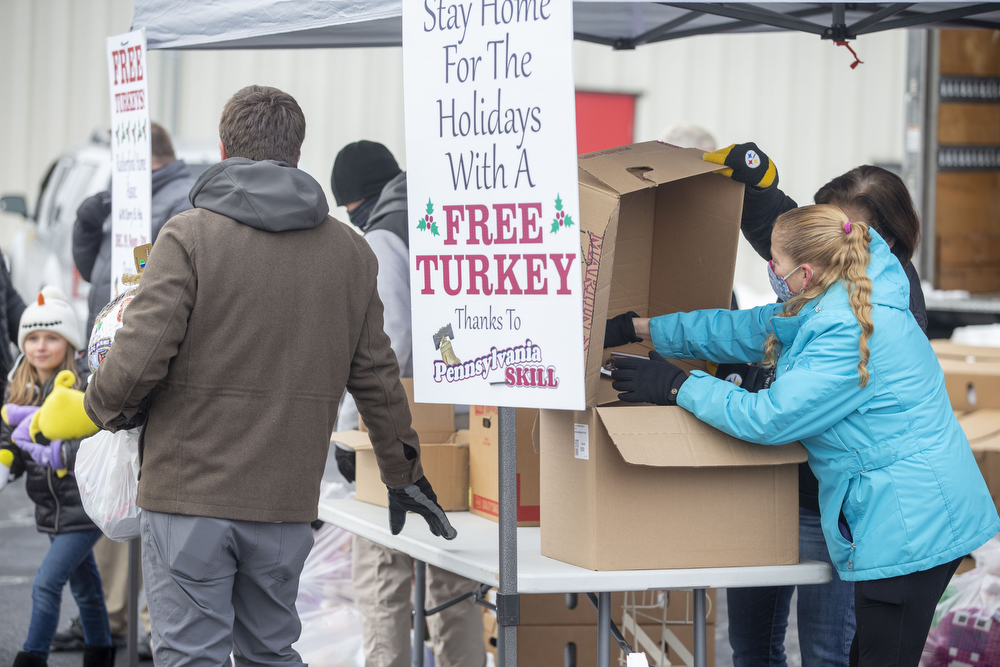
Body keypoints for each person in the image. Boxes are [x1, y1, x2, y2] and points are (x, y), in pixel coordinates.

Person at [83, 85, 456, 666]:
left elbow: (136, 362)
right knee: (270, 652)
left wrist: (101, 406)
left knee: (190, 655)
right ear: (297, 154)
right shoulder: (351, 252)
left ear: (224, 149)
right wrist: (402, 473)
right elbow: (378, 379)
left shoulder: (188, 236)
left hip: (188, 493)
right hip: (285, 503)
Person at [606, 204, 999, 666]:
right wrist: (639, 328)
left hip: (910, 521)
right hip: (910, 506)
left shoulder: (846, 331)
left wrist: (678, 386)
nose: (771, 270)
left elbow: (769, 418)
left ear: (805, 273)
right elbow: (747, 327)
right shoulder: (841, 295)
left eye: (775, 262)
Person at [701, 143, 928, 667]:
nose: (827, 242)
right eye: (824, 224)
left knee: (827, 653)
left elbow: (775, 416)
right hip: (772, 487)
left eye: (842, 231)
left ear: (884, 241)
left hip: (837, 506)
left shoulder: (884, 306)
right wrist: (760, 187)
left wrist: (679, 388)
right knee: (751, 648)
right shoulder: (825, 273)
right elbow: (784, 233)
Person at [331, 141, 486, 667]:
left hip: (406, 429)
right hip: (471, 425)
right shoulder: (446, 213)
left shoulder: (385, 235)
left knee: (383, 569)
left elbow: (385, 346)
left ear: (359, 199)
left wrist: (349, 433)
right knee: (456, 572)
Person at [58, 121, 193, 656]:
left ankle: (151, 620)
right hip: (110, 359)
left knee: (152, 494)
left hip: (147, 368)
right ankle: (117, 616)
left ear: (145, 157)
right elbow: (92, 263)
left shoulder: (176, 201)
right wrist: (89, 218)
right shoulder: (127, 198)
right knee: (116, 497)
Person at [4, 286, 115, 667]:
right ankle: (100, 652)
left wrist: (60, 453)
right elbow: (10, 439)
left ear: (68, 341)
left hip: (84, 506)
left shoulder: (83, 382)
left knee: (46, 583)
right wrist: (6, 464)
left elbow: (98, 434)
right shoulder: (20, 386)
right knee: (86, 587)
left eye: (51, 337)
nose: (40, 346)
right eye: (32, 337)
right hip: (52, 509)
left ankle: (32, 657)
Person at [72, 121, 196, 332]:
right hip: (109, 335)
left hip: (139, 337)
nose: (115, 164)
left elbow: (173, 289)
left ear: (139, 156)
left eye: (117, 158)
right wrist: (86, 229)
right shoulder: (129, 197)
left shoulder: (182, 204)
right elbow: (94, 274)